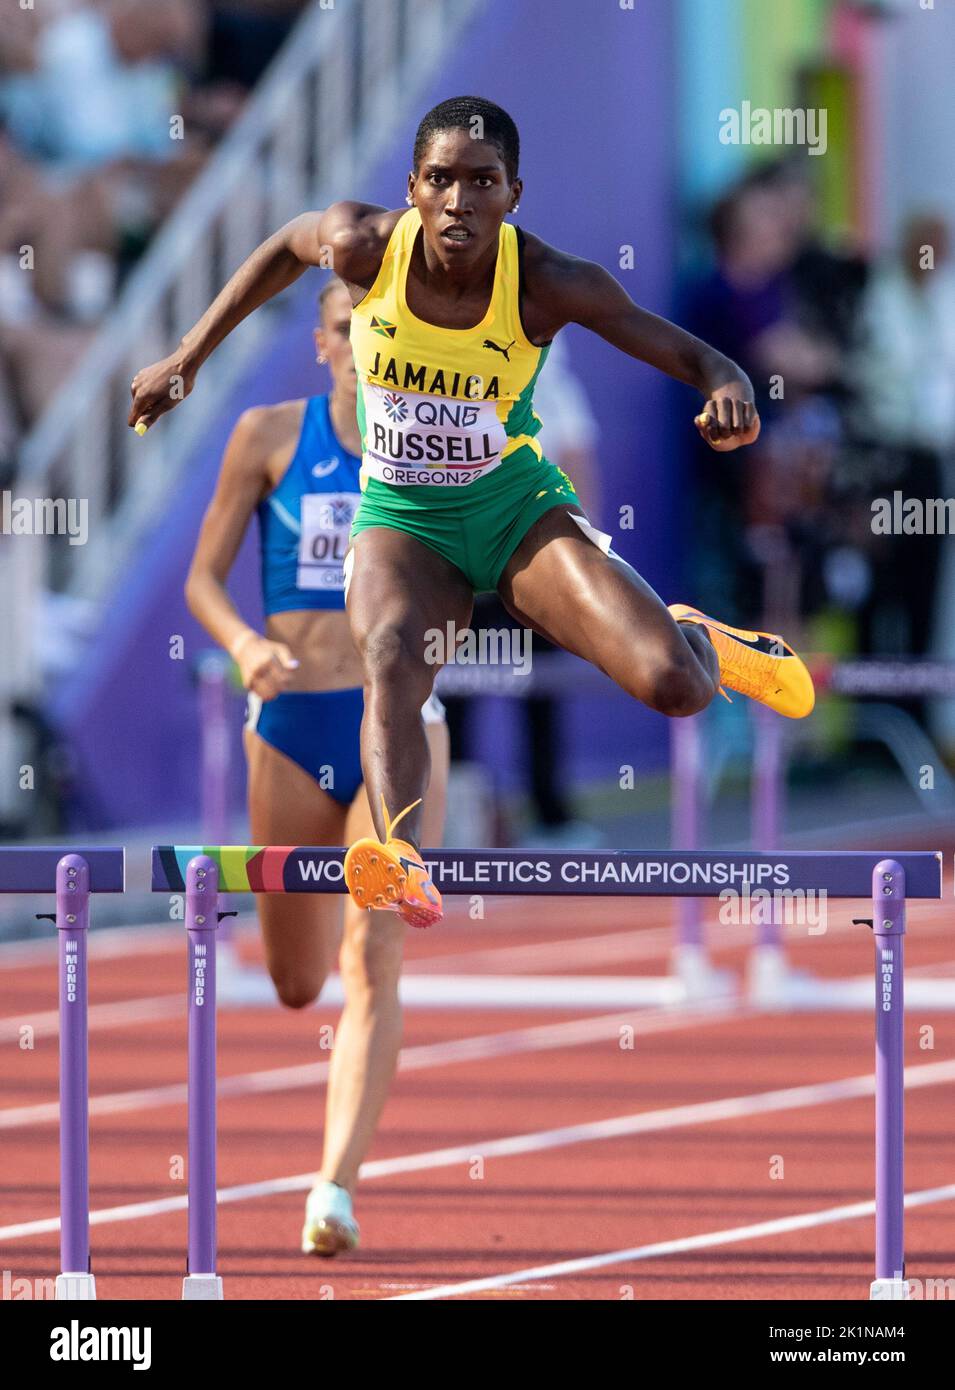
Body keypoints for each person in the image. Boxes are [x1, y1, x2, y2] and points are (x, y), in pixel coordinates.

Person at [132, 95, 815, 936]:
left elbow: (684, 350)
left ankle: (707, 640)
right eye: (440, 180)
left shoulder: (547, 280)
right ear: (413, 187)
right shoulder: (363, 246)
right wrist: (187, 356)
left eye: (481, 182)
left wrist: (728, 386)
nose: (459, 201)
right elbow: (281, 249)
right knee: (387, 653)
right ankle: (402, 857)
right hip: (402, 519)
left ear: (513, 195)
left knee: (674, 687)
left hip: (513, 509)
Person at [184, 275, 449, 1257]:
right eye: (351, 331)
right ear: (322, 342)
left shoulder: (433, 445)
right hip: (289, 724)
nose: (368, 349)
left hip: (398, 724)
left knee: (372, 957)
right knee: (299, 981)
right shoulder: (268, 435)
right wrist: (244, 646)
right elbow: (202, 578)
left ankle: (334, 1187)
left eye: (385, 333)